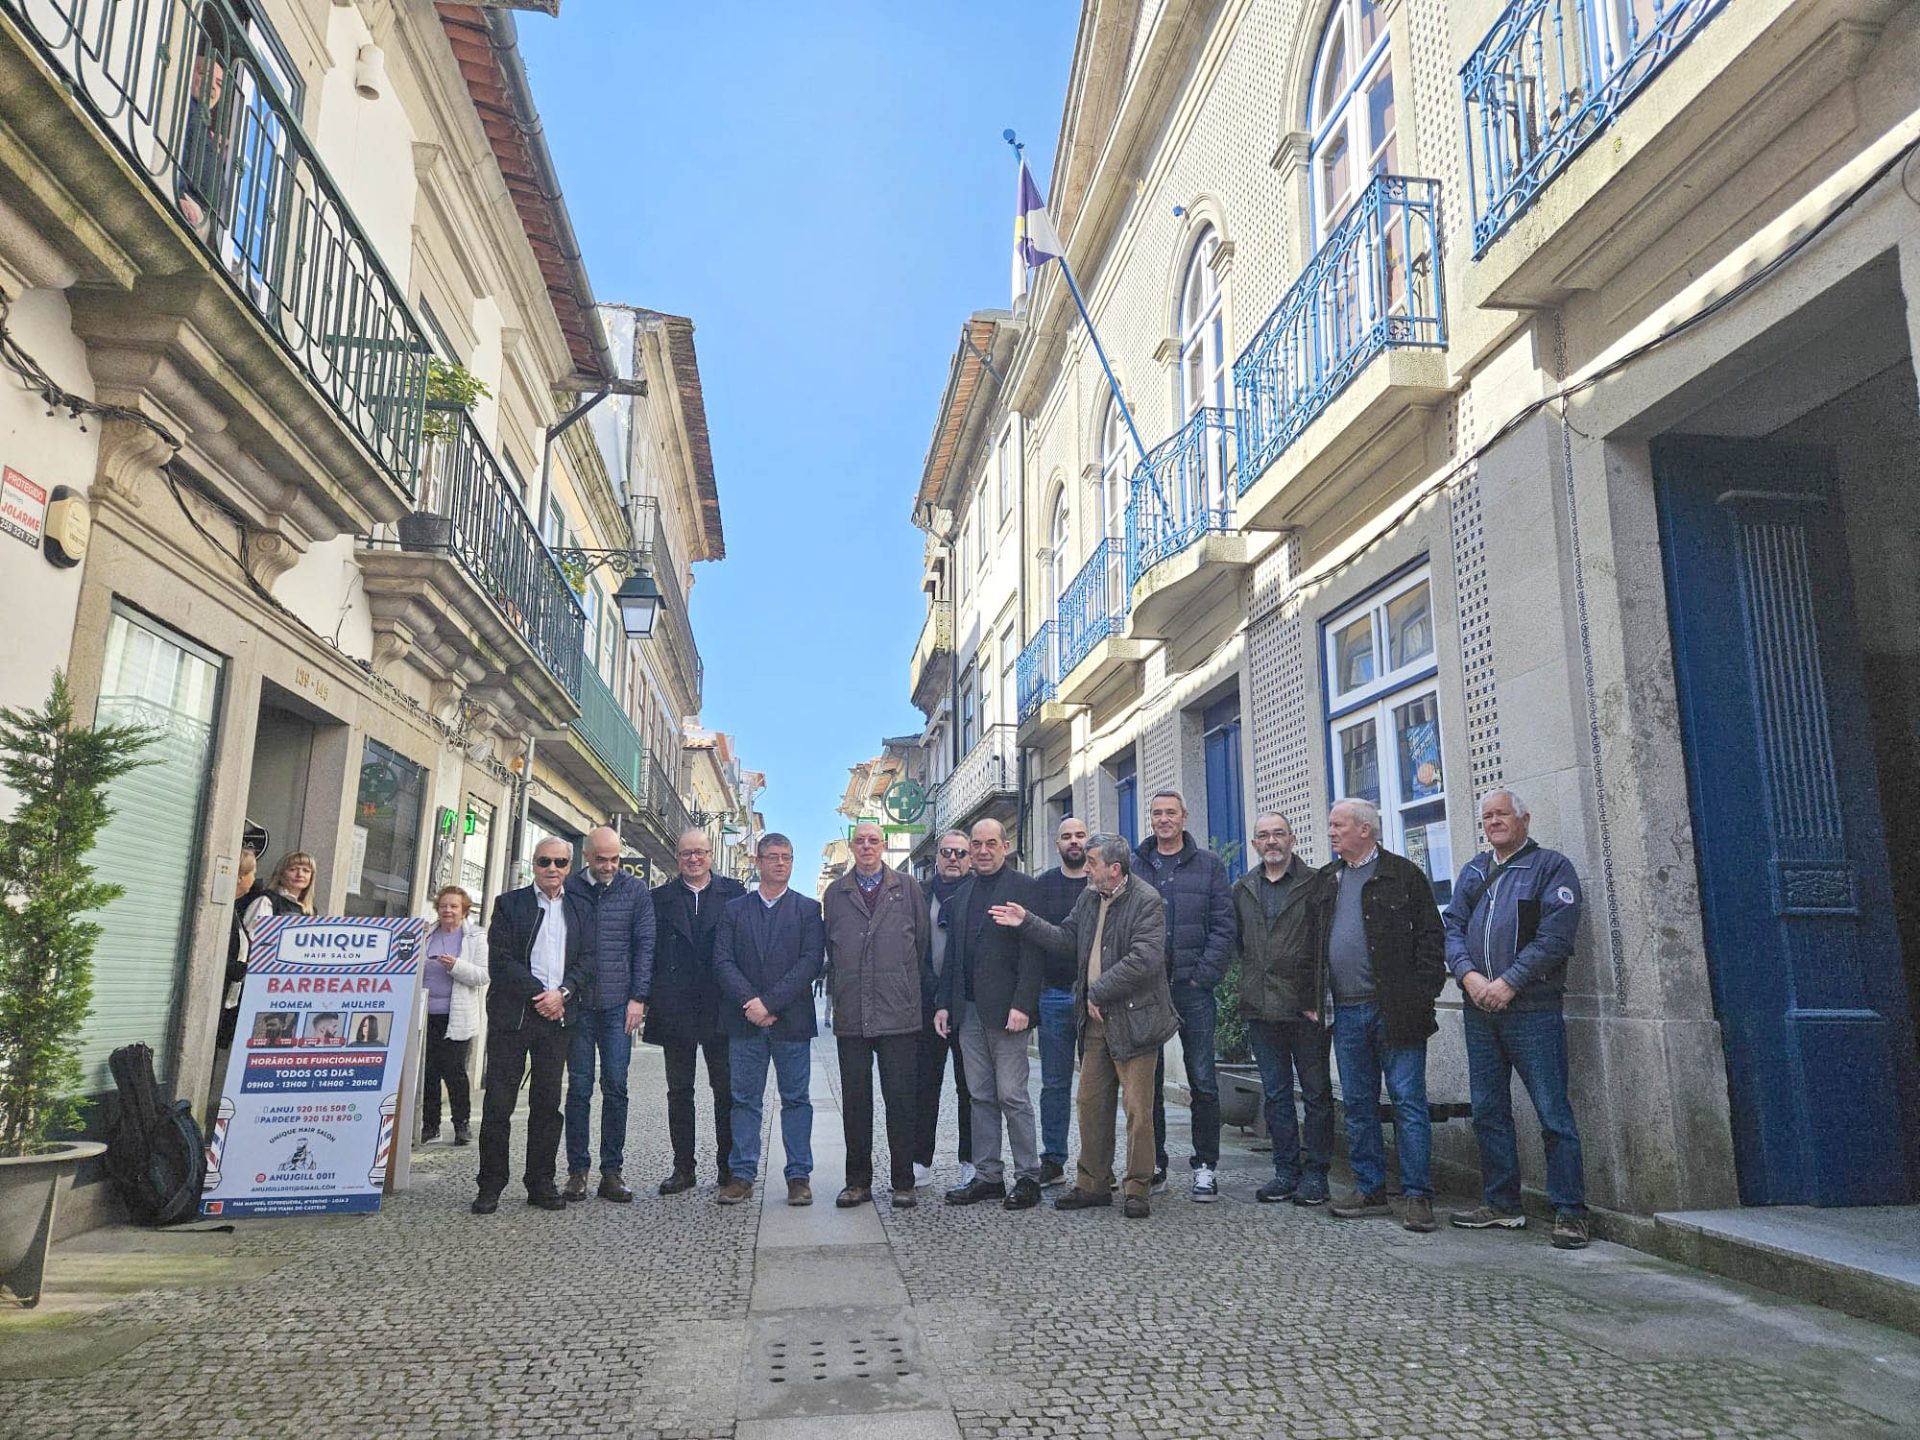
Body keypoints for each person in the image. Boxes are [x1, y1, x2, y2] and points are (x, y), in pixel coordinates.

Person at [993, 833, 1177, 1218]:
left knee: (1138, 1109)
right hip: (1095, 1024)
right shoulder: (1089, 897)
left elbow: (1145, 959)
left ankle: (1137, 1187)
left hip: (1136, 1020)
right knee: (1090, 1102)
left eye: (1093, 863)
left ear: (1114, 868)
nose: (1087, 869)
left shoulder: (1147, 900)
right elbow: (1065, 939)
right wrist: (1026, 922)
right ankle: (1092, 1183)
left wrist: (1098, 991)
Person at [1443, 788, 1589, 1249]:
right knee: (1489, 1110)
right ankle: (1502, 1203)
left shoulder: (1551, 868)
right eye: (1486, 817)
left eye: (1501, 814)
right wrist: (1467, 976)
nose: (1493, 822)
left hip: (1532, 1011)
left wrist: (1508, 983)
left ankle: (1570, 1212)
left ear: (1524, 818)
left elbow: (1554, 939)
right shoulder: (1473, 870)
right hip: (1479, 1011)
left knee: (1552, 1113)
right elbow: (1451, 927)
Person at [1312, 798, 1447, 1232]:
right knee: (1358, 1105)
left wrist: (1421, 997)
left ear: (1365, 830)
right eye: (1331, 826)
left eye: (1338, 825)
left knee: (1408, 1103)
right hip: (1346, 1013)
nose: (1331, 832)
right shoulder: (1327, 880)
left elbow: (1432, 941)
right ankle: (1370, 1189)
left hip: (1396, 1011)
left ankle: (1417, 1196)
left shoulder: (1403, 876)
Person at [473, 837, 595, 1216]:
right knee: (498, 1104)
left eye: (560, 862)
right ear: (533, 864)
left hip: (558, 1019)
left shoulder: (579, 907)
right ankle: (490, 1185)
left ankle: (540, 1182)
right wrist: (540, 995)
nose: (553, 869)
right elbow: (502, 960)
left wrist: (564, 993)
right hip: (514, 1017)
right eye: (545, 861)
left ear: (570, 866)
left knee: (548, 1105)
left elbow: (589, 959)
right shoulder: (509, 905)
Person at [934, 818, 1045, 1211]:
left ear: (1005, 845)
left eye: (990, 843)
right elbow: (953, 956)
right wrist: (945, 1003)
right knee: (979, 1095)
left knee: (1012, 1095)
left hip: (1008, 1011)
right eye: (975, 845)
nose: (982, 851)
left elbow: (1034, 954)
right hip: (969, 1012)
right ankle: (987, 1176)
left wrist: (1024, 1005)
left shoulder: (1025, 889)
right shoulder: (961, 895)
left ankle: (1029, 1176)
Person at [822, 821, 931, 1209]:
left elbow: (920, 946)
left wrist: (899, 982)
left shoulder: (907, 888)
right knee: (855, 1101)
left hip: (898, 1011)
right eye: (860, 841)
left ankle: (903, 1182)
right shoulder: (835, 894)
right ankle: (857, 1182)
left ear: (883, 845)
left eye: (873, 840)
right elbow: (832, 950)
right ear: (852, 847)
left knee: (901, 1100)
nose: (867, 847)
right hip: (852, 1012)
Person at [712, 834, 824, 1207]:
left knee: (796, 1099)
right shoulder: (734, 910)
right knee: (744, 1100)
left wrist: (771, 1003)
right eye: (772, 857)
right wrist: (750, 1002)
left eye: (787, 857)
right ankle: (741, 1174)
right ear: (758, 861)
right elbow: (722, 960)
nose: (780, 863)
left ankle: (798, 1176)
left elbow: (810, 962)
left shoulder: (808, 910)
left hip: (790, 1020)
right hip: (744, 1020)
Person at [1138, 791, 1236, 1202]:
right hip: (1148, 991)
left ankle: (1205, 1167)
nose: (1164, 820)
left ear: (1184, 817)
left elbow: (1224, 926)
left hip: (1193, 989)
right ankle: (1155, 1163)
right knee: (1150, 1082)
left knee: (1202, 1080)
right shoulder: (1135, 865)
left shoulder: (1209, 865)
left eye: (1171, 813)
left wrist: (1203, 977)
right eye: (1157, 813)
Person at [1232, 812, 1333, 1207]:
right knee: (1275, 1095)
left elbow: (1327, 942)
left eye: (1278, 834)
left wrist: (1315, 998)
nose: (1271, 841)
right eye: (1263, 836)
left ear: (1292, 839)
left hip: (1304, 1008)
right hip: (1261, 1009)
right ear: (1254, 844)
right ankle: (1285, 1171)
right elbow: (1239, 945)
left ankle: (1317, 1175)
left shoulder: (1316, 884)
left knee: (1316, 1094)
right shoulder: (1242, 888)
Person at [561, 826, 657, 1204]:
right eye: (601, 859)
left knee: (616, 1087)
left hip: (619, 1004)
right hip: (579, 1004)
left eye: (615, 859)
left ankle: (611, 1172)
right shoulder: (569, 889)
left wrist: (639, 998)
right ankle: (577, 1172)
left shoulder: (634, 890)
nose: (609, 866)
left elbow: (645, 945)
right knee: (579, 1088)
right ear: (586, 856)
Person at [647, 829, 746, 1194]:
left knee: (726, 1091)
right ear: (678, 857)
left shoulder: (734, 894)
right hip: (675, 1007)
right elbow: (649, 952)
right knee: (679, 1091)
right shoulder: (658, 898)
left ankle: (727, 1168)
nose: (694, 859)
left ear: (710, 856)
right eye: (687, 853)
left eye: (700, 853)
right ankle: (683, 1168)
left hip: (721, 1007)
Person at [1030, 816, 1091, 1188]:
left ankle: (1098, 1161)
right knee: (1054, 1083)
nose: (1074, 842)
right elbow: (1034, 943)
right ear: (1057, 846)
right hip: (1053, 995)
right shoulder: (1042, 887)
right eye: (1066, 837)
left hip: (1098, 998)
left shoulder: (1102, 882)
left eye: (1080, 835)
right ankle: (1053, 1159)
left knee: (1100, 1085)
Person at [912, 830, 974, 1188]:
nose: (953, 858)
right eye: (947, 852)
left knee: (970, 1088)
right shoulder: (917, 895)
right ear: (937, 857)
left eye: (960, 853)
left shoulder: (978, 894)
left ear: (969, 858)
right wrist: (936, 995)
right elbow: (910, 949)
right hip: (926, 1005)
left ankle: (969, 1159)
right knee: (924, 1085)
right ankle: (921, 1159)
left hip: (967, 1007)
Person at [420, 885, 487, 1145]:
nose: (447, 910)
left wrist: (456, 966)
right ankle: (430, 1125)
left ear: (464, 910)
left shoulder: (475, 937)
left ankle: (461, 1124)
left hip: (456, 1015)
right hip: (426, 1015)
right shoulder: (426, 934)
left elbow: (483, 975)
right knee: (428, 1072)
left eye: (454, 906)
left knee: (455, 1072)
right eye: (443, 905)